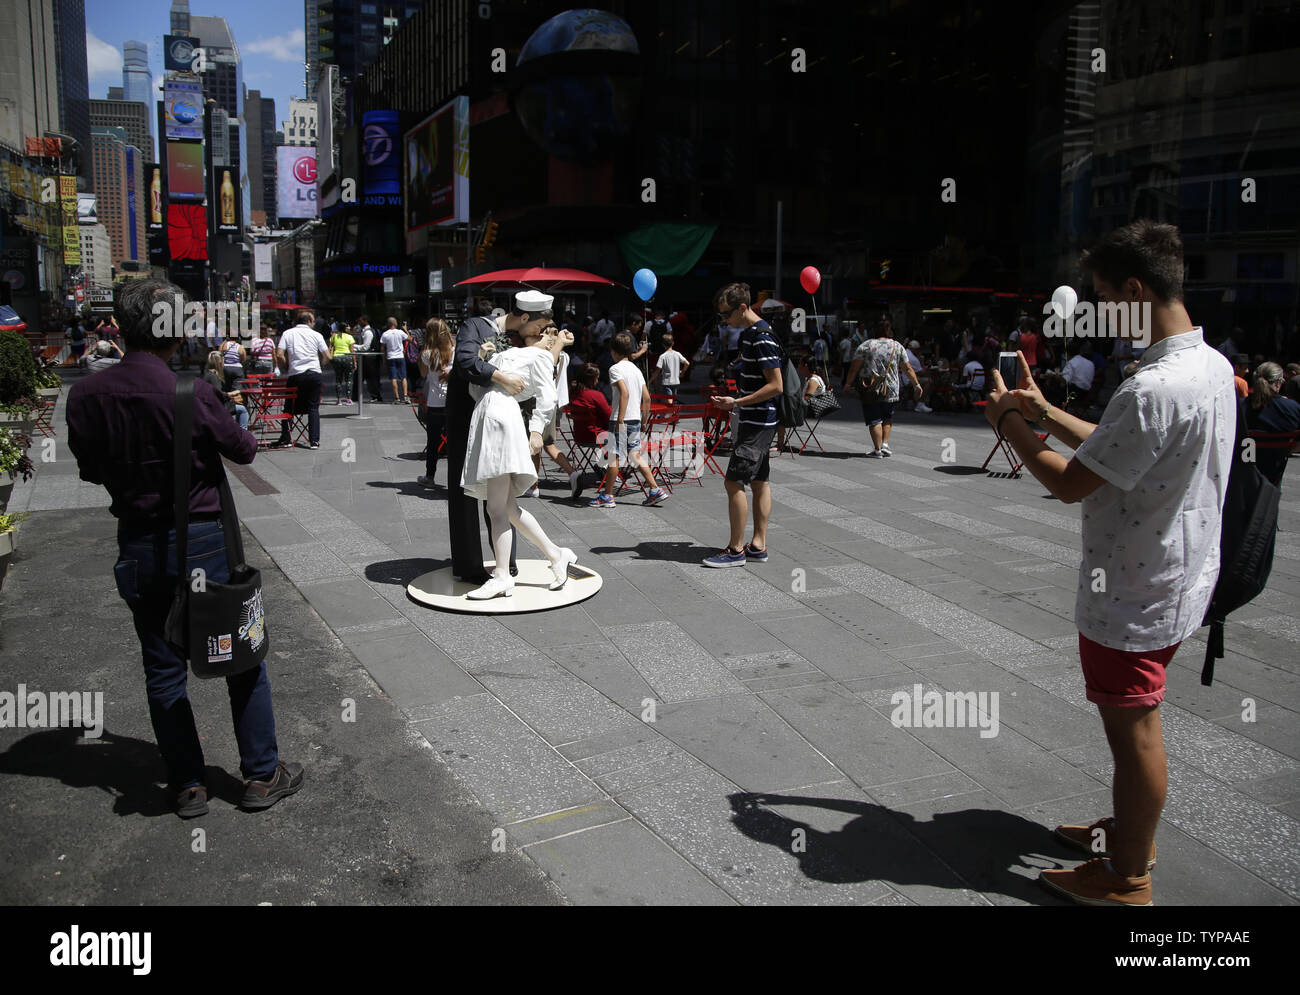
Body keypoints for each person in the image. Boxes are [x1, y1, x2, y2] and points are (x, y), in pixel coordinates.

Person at [985, 220, 1233, 906]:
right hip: (1179, 577)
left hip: (1134, 589)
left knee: (1135, 734)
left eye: (1101, 296)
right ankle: (1127, 833)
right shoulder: (1207, 366)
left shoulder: (1154, 386)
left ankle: (1128, 874)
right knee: (1138, 723)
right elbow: (1121, 449)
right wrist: (1046, 411)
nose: (1097, 311)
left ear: (1134, 288)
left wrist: (1008, 424)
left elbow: (1069, 482)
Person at [66, 279, 302, 818]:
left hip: (139, 542)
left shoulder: (85, 395)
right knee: (242, 657)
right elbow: (243, 448)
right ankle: (260, 775)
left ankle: (188, 783)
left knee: (162, 666)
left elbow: (88, 469)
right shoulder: (191, 392)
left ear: (121, 328)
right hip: (204, 543)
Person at [461, 320, 579, 600]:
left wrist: (537, 430)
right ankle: (556, 553)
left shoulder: (540, 356)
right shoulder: (512, 352)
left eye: (543, 328)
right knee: (507, 508)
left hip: (502, 421)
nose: (537, 330)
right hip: (489, 417)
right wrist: (480, 361)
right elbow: (477, 392)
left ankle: (502, 575)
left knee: (496, 509)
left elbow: (547, 397)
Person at [447, 293, 545, 584]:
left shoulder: (517, 340)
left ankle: (506, 564)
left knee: (501, 495)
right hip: (467, 418)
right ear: (524, 318)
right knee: (464, 489)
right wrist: (501, 377)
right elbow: (464, 362)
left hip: (500, 421)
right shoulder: (475, 326)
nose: (538, 333)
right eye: (537, 326)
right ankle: (469, 565)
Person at [703, 282, 782, 567]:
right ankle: (758, 545)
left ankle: (735, 550)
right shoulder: (751, 334)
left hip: (758, 421)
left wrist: (737, 403)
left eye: (726, 315)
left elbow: (776, 385)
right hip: (758, 419)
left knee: (733, 481)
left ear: (743, 308)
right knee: (760, 481)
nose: (724, 321)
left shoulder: (760, 336)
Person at [589, 332, 668, 508]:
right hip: (636, 418)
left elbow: (624, 392)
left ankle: (608, 496)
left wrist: (620, 419)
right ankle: (655, 489)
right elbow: (647, 398)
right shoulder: (636, 369)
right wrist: (645, 420)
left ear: (614, 351)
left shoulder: (615, 369)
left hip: (620, 418)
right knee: (635, 455)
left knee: (614, 457)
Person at [847, 317, 923, 458]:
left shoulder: (866, 345)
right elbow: (907, 368)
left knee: (874, 418)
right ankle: (885, 445)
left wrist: (847, 384)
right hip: (891, 389)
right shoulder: (897, 346)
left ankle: (877, 450)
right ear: (889, 331)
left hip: (871, 388)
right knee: (887, 417)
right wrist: (916, 384)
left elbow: (854, 368)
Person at [272, 310, 331, 450]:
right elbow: (327, 356)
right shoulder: (316, 335)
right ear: (309, 321)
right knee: (313, 408)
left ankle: (286, 438)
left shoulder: (287, 333)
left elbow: (279, 354)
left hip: (295, 374)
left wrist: (287, 365)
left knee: (289, 407)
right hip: (314, 373)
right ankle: (314, 441)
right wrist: (320, 365)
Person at [1245, 361, 1300, 484]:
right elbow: (1297, 445)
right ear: (1278, 382)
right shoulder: (1292, 409)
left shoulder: (1239, 406)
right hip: (1274, 471)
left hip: (1244, 467)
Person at [417, 319, 454, 488]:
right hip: (453, 401)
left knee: (433, 442)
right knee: (455, 441)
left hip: (434, 402)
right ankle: (456, 478)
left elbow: (423, 374)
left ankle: (429, 476)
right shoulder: (454, 350)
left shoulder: (427, 354)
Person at [203, 350, 249, 430]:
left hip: (209, 405)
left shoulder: (208, 374)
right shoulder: (214, 377)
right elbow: (218, 394)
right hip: (216, 407)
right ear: (220, 363)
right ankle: (243, 433)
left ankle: (238, 432)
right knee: (243, 409)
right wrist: (232, 394)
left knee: (239, 406)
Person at [652, 332, 690, 398]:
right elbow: (687, 363)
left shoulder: (662, 356)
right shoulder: (677, 354)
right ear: (673, 343)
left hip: (667, 382)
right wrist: (682, 372)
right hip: (676, 381)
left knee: (669, 400)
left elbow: (657, 371)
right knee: (673, 398)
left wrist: (650, 381)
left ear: (663, 345)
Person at [381, 318, 410, 404]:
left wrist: (383, 359)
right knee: (403, 377)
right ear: (395, 323)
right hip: (400, 356)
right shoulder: (400, 332)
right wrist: (406, 330)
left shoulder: (385, 334)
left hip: (390, 357)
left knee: (393, 378)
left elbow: (382, 347)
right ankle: (405, 396)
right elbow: (410, 339)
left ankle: (397, 398)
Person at [354, 314, 382, 403]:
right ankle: (356, 396)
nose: (359, 322)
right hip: (368, 358)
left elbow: (365, 347)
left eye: (360, 321)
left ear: (365, 321)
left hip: (369, 359)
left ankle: (376, 396)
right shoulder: (366, 331)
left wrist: (353, 346)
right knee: (363, 377)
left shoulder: (368, 332)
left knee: (369, 378)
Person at [329, 324, 356, 405]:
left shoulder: (334, 337)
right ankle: (348, 399)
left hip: (337, 358)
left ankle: (339, 400)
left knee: (338, 379)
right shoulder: (349, 337)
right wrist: (355, 361)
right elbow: (352, 351)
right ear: (345, 329)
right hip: (347, 357)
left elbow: (330, 347)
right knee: (349, 379)